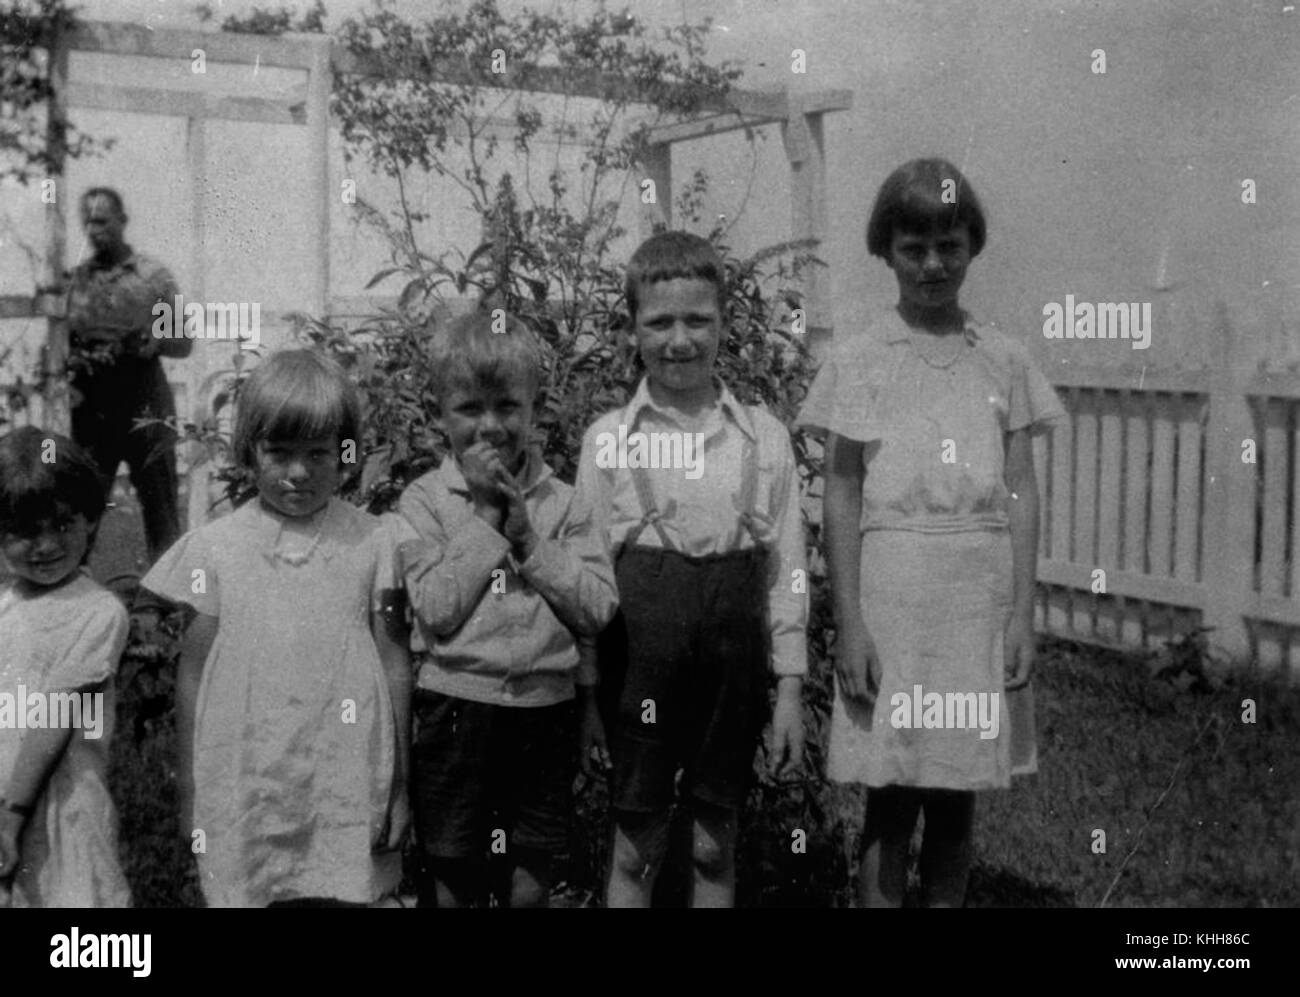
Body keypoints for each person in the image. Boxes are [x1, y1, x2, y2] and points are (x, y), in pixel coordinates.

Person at [798, 158, 1065, 907]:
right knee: (891, 791)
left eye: (949, 245)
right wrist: (849, 621)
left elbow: (1021, 486)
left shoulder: (1002, 358)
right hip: (892, 596)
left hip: (974, 596)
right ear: (885, 250)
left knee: (957, 788)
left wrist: (1020, 615)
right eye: (913, 248)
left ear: (973, 245)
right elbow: (842, 491)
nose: (933, 264)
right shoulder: (860, 359)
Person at [576, 231, 807, 908]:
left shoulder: (762, 437)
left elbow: (788, 571)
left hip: (731, 674)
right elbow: (587, 579)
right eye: (660, 322)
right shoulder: (608, 439)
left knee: (714, 841)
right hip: (637, 674)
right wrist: (587, 695)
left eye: (698, 320)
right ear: (633, 330)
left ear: (723, 324)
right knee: (635, 846)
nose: (680, 339)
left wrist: (789, 687)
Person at [138, 350, 410, 907]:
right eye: (279, 452)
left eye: (318, 453)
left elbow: (395, 661)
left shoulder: (374, 541)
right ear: (247, 451)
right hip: (247, 767)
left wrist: (400, 786)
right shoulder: (217, 547)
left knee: (340, 887)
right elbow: (192, 671)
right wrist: (190, 785)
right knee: (251, 882)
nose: (299, 472)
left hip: (341, 762)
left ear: (346, 454)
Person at [397, 312, 617, 908]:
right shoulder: (423, 502)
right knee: (455, 877)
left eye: (507, 407)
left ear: (534, 409)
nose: (490, 426)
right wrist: (489, 521)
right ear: (440, 412)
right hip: (457, 709)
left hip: (545, 714)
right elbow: (438, 609)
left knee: (531, 880)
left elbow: (596, 609)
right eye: (469, 408)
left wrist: (531, 543)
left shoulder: (564, 503)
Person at [0, 427, 131, 907]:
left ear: (91, 520)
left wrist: (11, 817)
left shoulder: (96, 613)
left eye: (61, 524)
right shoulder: (6, 608)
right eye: (24, 531)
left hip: (62, 806)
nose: (45, 545)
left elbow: (55, 717)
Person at [66, 187, 191, 565]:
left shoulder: (155, 278)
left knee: (161, 509)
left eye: (102, 221)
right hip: (93, 413)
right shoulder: (74, 283)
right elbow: (60, 349)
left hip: (146, 407)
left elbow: (183, 341)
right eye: (87, 221)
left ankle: (168, 604)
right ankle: (74, 595)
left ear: (123, 221)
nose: (94, 229)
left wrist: (155, 340)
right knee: (81, 506)